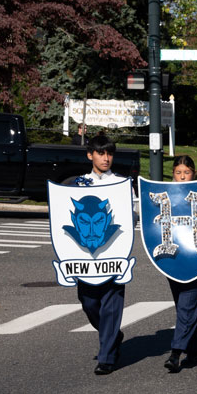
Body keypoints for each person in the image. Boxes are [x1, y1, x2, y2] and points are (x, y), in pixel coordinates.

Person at [74, 134, 126, 375]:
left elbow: (130, 215)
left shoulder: (122, 182)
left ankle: (107, 357)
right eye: (101, 153)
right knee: (89, 303)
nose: (106, 158)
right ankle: (112, 334)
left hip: (114, 254)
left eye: (109, 154)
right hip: (85, 256)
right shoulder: (79, 183)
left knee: (111, 304)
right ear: (90, 155)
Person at [163, 155, 197, 373]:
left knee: (188, 302)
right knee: (183, 303)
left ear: (194, 172)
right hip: (172, 255)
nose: (182, 177)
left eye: (186, 172)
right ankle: (195, 348)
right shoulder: (165, 194)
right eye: (178, 172)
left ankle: (175, 352)